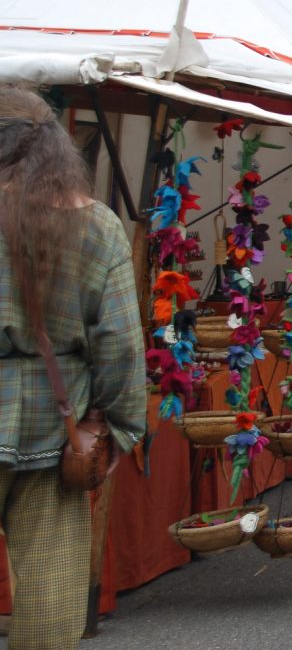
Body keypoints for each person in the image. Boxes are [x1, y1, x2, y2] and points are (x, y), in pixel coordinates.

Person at [0, 87, 146, 649]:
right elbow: (120, 347)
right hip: (52, 430)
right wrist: (119, 428)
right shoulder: (94, 227)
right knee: (48, 601)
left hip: (47, 430)